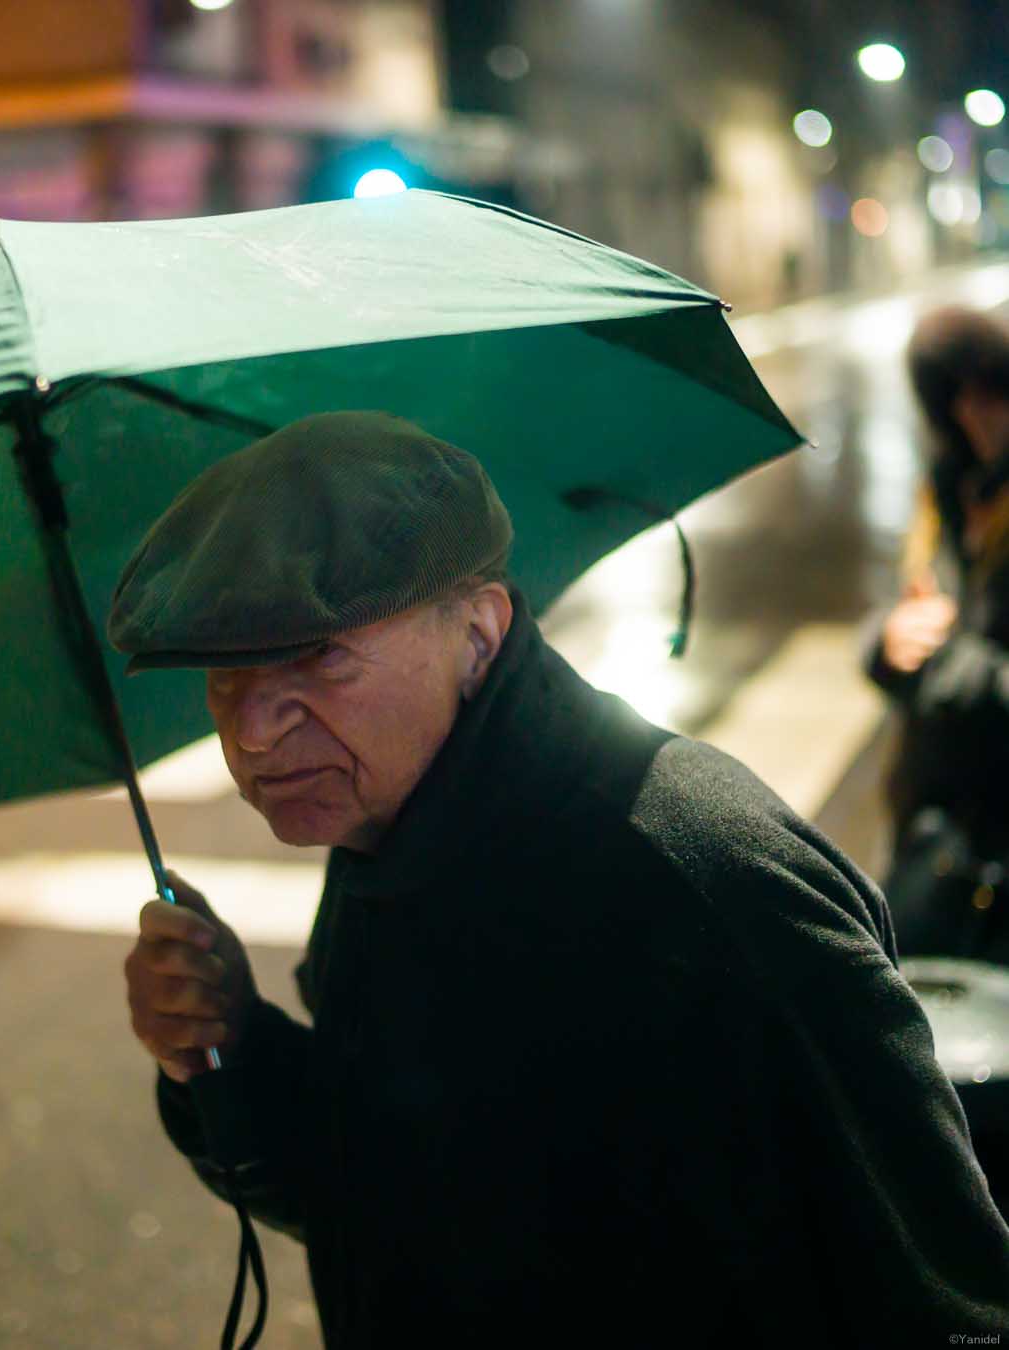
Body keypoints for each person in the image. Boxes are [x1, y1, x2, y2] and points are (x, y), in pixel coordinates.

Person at [114, 410, 1009, 1347]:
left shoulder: (704, 879)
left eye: (316, 654)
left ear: (478, 632)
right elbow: (386, 1192)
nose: (252, 730)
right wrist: (225, 1051)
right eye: (224, 673)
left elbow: (937, 1302)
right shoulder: (391, 837)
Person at [868, 306, 1009, 965]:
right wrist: (891, 644)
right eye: (956, 394)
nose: (975, 414)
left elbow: (964, 659)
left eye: (993, 391)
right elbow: (915, 612)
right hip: (933, 831)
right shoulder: (950, 495)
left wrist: (952, 663)